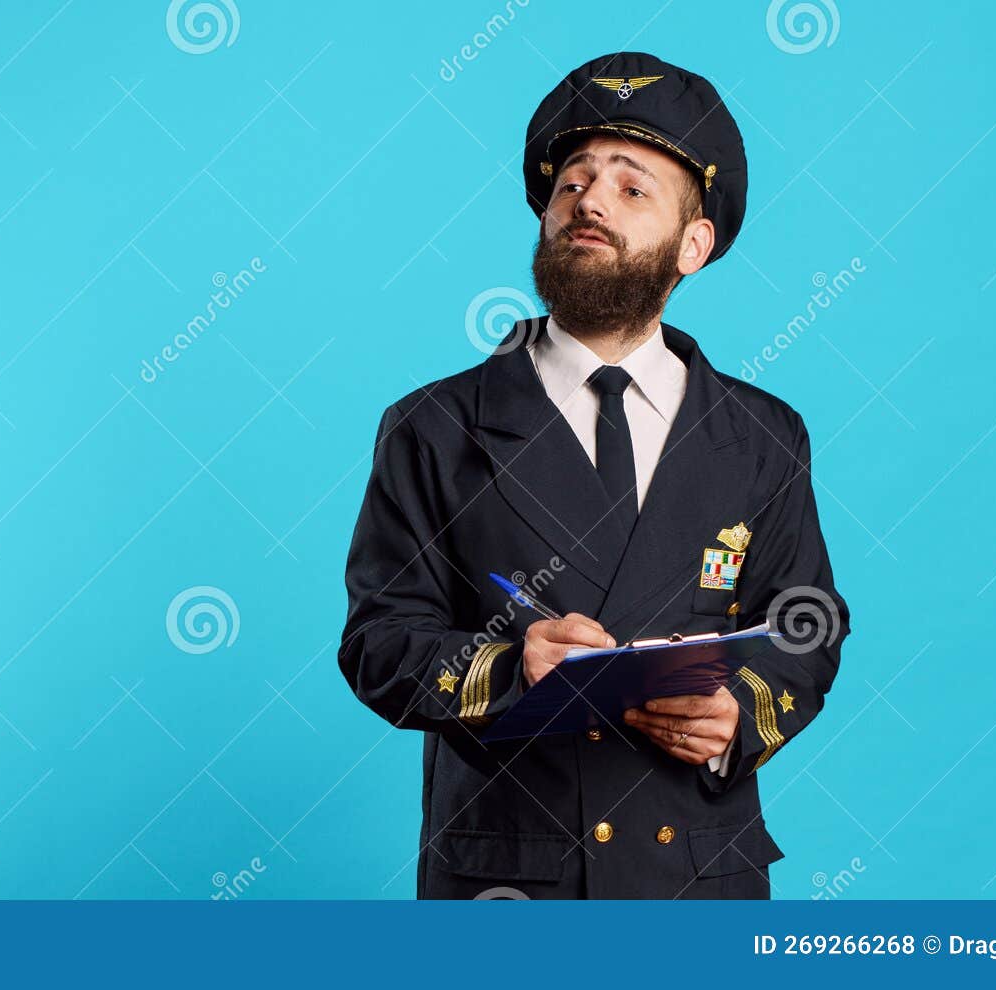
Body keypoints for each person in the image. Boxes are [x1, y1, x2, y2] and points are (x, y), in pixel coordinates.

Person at [337, 51, 850, 899]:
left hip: (696, 878)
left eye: (632, 187)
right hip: (508, 883)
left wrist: (736, 717)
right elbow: (377, 645)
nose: (591, 200)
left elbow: (807, 622)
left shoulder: (765, 434)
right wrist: (510, 664)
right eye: (573, 181)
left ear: (693, 245)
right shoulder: (432, 426)